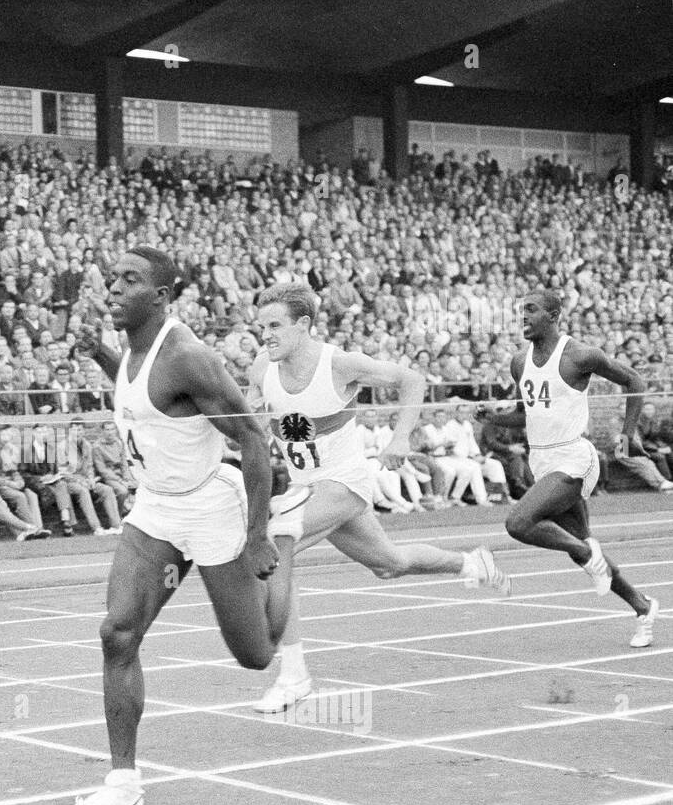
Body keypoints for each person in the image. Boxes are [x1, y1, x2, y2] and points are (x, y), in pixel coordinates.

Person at [63, 247, 283, 805]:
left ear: (161, 297)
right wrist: (103, 358)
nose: (112, 288)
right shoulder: (133, 349)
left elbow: (254, 441)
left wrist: (259, 536)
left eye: (129, 281)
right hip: (156, 508)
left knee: (256, 656)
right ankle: (124, 780)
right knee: (117, 633)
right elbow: (149, 404)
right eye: (112, 278)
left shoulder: (189, 357)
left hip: (212, 503)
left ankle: (287, 554)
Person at [246, 282, 509, 715]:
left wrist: (401, 436)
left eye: (275, 325)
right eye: (262, 327)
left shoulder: (339, 364)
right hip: (305, 488)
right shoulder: (262, 366)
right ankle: (471, 563)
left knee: (277, 540)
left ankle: (294, 677)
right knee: (389, 564)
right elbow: (250, 408)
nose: (266, 335)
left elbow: (412, 379)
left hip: (346, 484)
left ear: (304, 324)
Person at [494, 289, 659, 647]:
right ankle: (642, 606)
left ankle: (589, 556)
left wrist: (628, 435)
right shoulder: (519, 362)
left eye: (531, 310)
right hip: (542, 461)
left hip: (573, 459)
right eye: (521, 311)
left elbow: (635, 381)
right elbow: (524, 416)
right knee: (577, 544)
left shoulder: (581, 355)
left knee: (519, 523)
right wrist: (493, 415)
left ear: (553, 316)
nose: (523, 317)